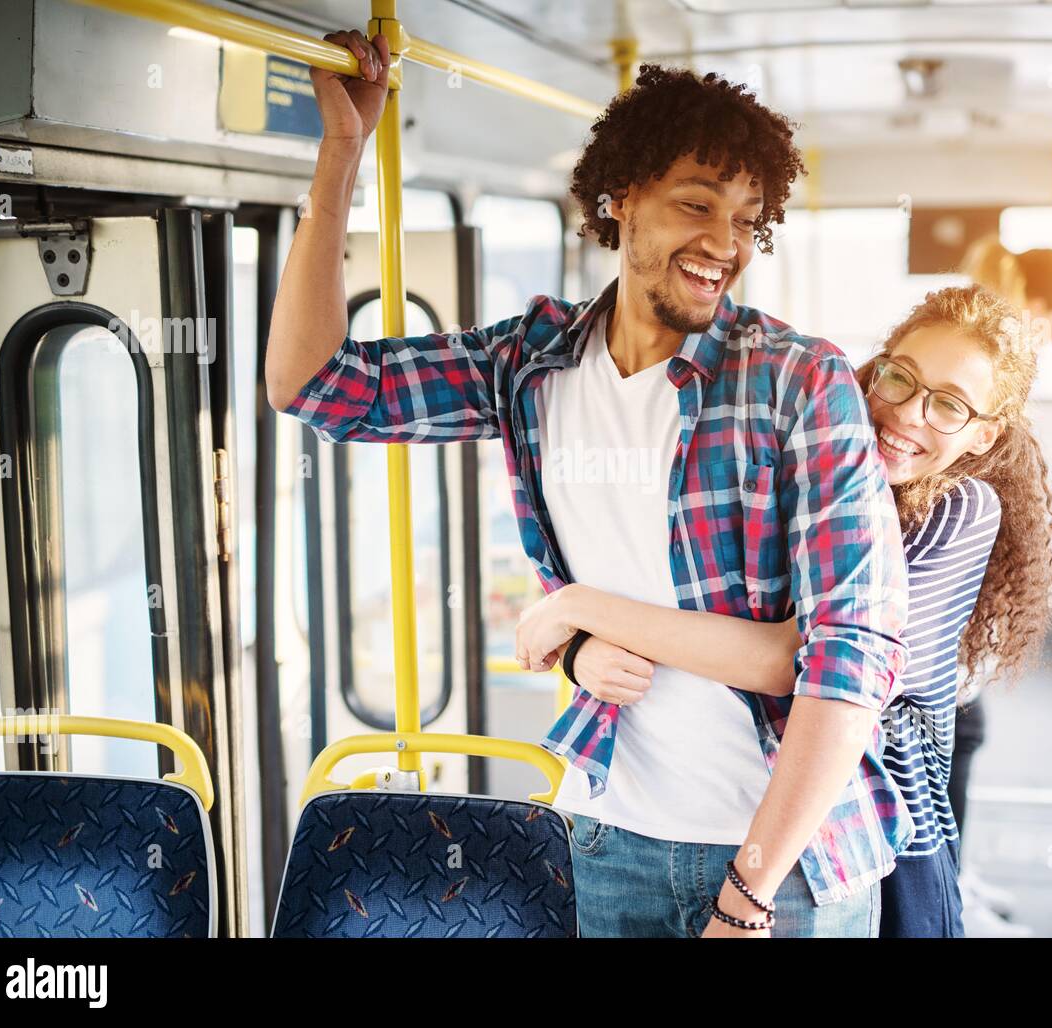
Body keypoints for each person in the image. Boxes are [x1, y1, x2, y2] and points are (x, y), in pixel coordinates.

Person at [267, 33, 911, 938]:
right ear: (621, 200)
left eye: (747, 219)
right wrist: (341, 158)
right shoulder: (530, 363)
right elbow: (316, 385)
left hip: (785, 865)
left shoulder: (798, 381)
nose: (725, 244)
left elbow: (850, 656)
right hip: (611, 837)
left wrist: (748, 896)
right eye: (697, 204)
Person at [515, 285, 1052, 936]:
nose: (909, 415)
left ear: (984, 434)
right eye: (900, 379)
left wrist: (579, 608)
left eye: (948, 405)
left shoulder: (959, 513)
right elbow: (659, 584)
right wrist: (582, 649)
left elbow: (800, 662)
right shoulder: (797, 468)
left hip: (874, 837)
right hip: (698, 811)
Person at [952, 235, 1052, 935]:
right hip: (955, 592)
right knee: (956, 734)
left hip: (972, 589)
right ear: (1036, 306)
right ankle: (950, 890)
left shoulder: (996, 359)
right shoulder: (993, 364)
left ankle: (957, 877)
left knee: (963, 732)